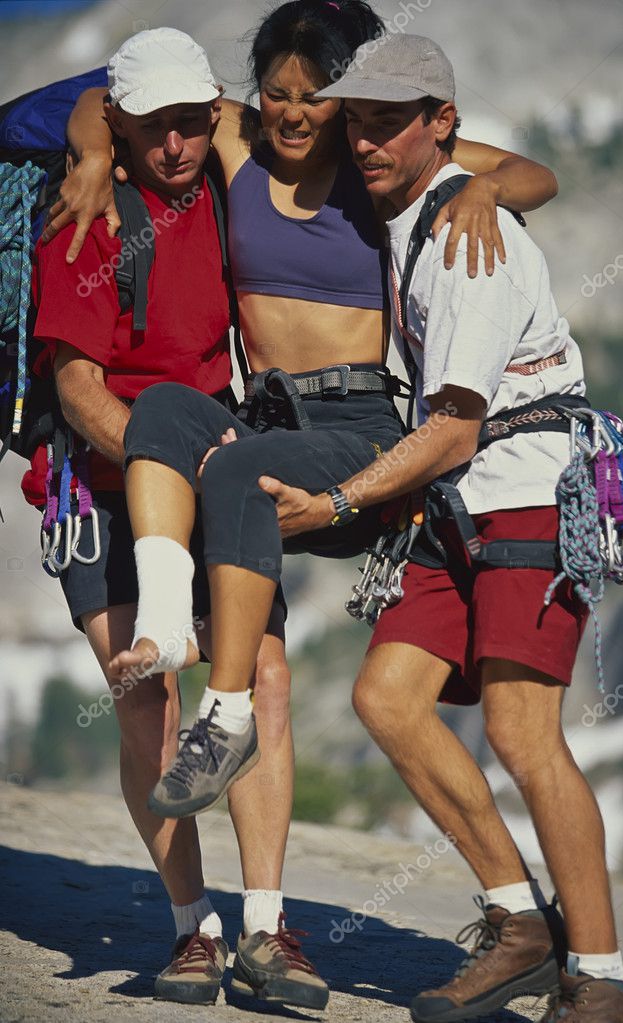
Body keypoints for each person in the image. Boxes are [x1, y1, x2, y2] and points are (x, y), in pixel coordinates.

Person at [55, 1, 560, 1010]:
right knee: (165, 412)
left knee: (236, 488)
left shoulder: (363, 150)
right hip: (267, 419)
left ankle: (227, 714)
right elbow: (92, 100)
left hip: (361, 421)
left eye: (311, 100)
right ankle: (175, 642)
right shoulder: (228, 134)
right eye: (274, 94)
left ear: (343, 101)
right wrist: (82, 153)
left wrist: (484, 191)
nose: (291, 114)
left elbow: (533, 174)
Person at [264, 33, 623, 1023]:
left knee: (523, 735)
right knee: (389, 699)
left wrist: (337, 504)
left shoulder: (469, 246)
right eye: (357, 121)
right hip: (460, 503)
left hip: (520, 488)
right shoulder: (419, 203)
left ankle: (601, 975)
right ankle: (520, 924)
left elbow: (452, 428)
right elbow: (521, 172)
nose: (365, 140)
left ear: (442, 126)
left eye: (388, 121)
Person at [23, 27, 287, 1008]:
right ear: (122, 129)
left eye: (191, 122)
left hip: (214, 465)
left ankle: (266, 928)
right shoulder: (85, 222)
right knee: (148, 703)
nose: (175, 145)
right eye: (152, 128)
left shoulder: (231, 186)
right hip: (101, 483)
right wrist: (166, 468)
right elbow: (81, 389)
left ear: (213, 114)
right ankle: (192, 931)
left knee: (260, 671)